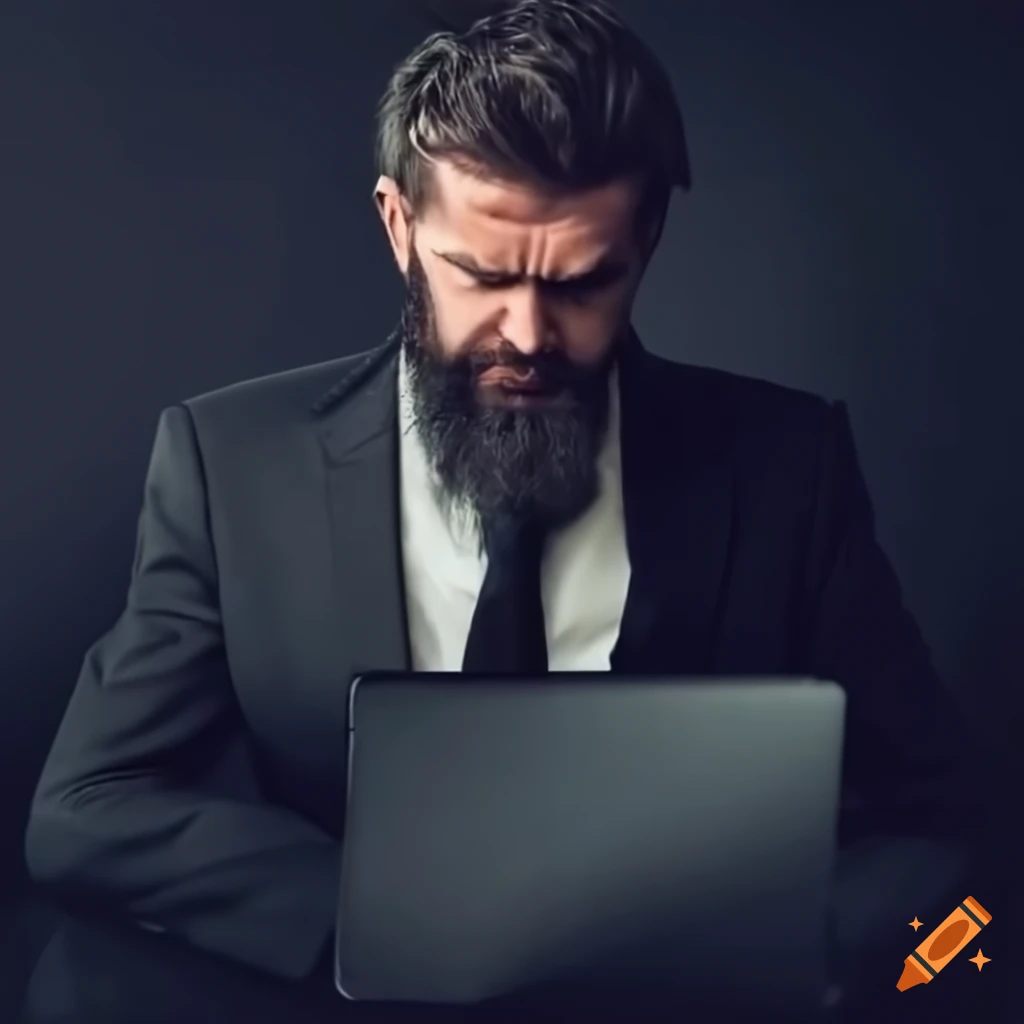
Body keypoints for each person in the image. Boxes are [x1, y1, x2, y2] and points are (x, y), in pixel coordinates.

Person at [24, 0, 981, 1019]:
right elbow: (87, 807)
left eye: (583, 281)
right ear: (399, 226)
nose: (527, 333)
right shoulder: (229, 465)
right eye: (480, 275)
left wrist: (802, 946)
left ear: (647, 235)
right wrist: (385, 916)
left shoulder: (791, 466)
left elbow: (942, 816)